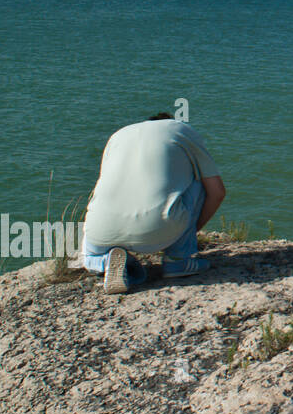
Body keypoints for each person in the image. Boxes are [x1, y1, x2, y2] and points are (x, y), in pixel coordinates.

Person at [82, 113, 227, 294]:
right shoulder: (182, 129)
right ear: (171, 121)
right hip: (161, 227)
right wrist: (185, 233)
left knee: (90, 256)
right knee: (200, 180)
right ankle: (178, 260)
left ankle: (107, 262)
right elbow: (217, 192)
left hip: (100, 229)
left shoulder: (118, 135)